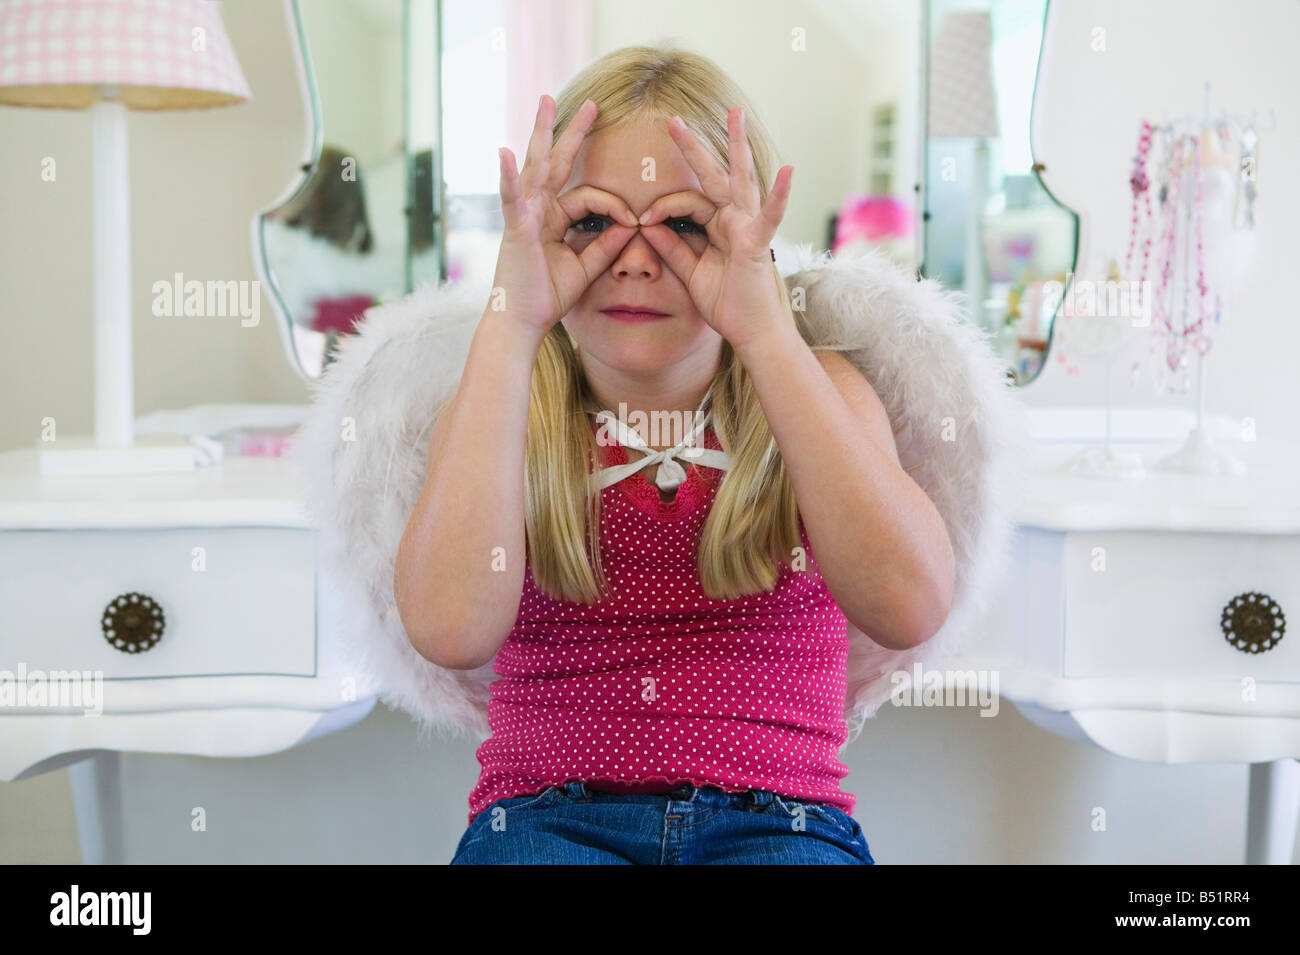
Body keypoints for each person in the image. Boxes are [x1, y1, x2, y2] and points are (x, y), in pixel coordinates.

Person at [393, 44, 955, 865]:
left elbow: (910, 607)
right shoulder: (506, 404)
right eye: (590, 221)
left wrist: (765, 331)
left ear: (751, 231)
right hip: (549, 818)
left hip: (781, 818)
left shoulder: (816, 389)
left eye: (685, 225)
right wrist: (511, 321)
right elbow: (447, 629)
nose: (633, 255)